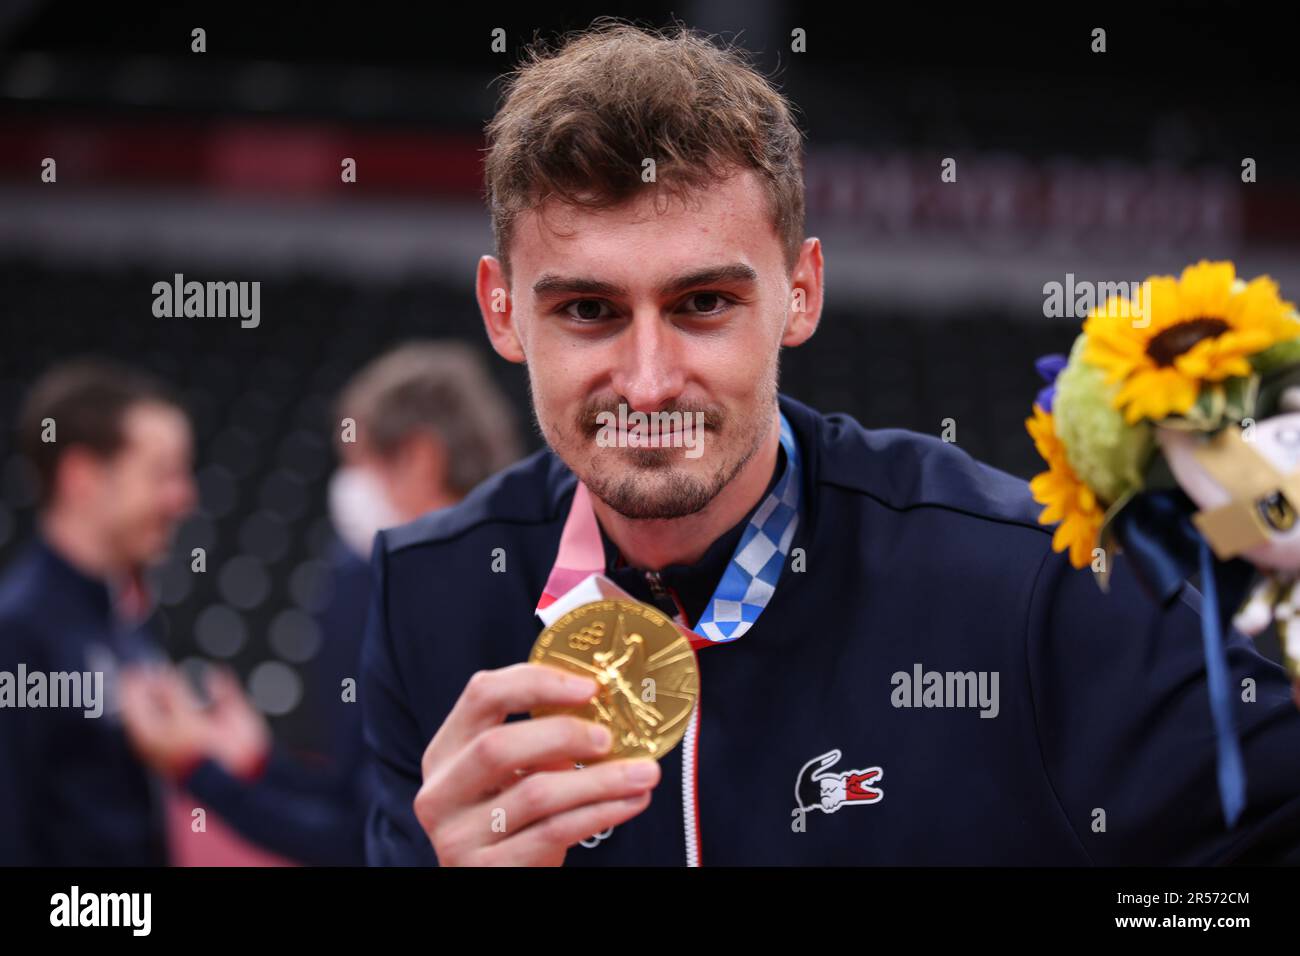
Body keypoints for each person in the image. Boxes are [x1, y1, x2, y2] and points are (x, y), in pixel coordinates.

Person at [360, 22, 1300, 866]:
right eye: (588, 311)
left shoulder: (1029, 578)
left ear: (800, 292)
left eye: (703, 304)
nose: (647, 381)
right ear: (502, 310)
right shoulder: (426, 598)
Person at [120, 341, 522, 865]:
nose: (347, 485)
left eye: (357, 460)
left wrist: (197, 768)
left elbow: (360, 841)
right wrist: (256, 762)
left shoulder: (456, 608)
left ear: (419, 458)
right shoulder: (452, 577)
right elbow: (356, 796)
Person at [0, 359, 199, 864]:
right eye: (161, 474)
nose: (184, 498)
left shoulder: (127, 611)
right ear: (82, 477)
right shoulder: (18, 631)